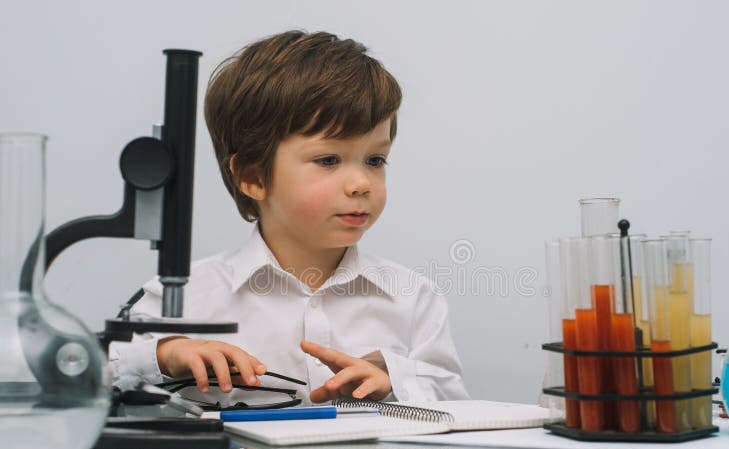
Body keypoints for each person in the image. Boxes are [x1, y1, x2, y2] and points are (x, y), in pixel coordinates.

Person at [110, 30, 468, 405]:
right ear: (252, 177)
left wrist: (394, 378)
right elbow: (93, 378)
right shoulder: (183, 297)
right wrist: (167, 355)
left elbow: (456, 405)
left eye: (375, 160)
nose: (361, 183)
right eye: (328, 160)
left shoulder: (414, 297)